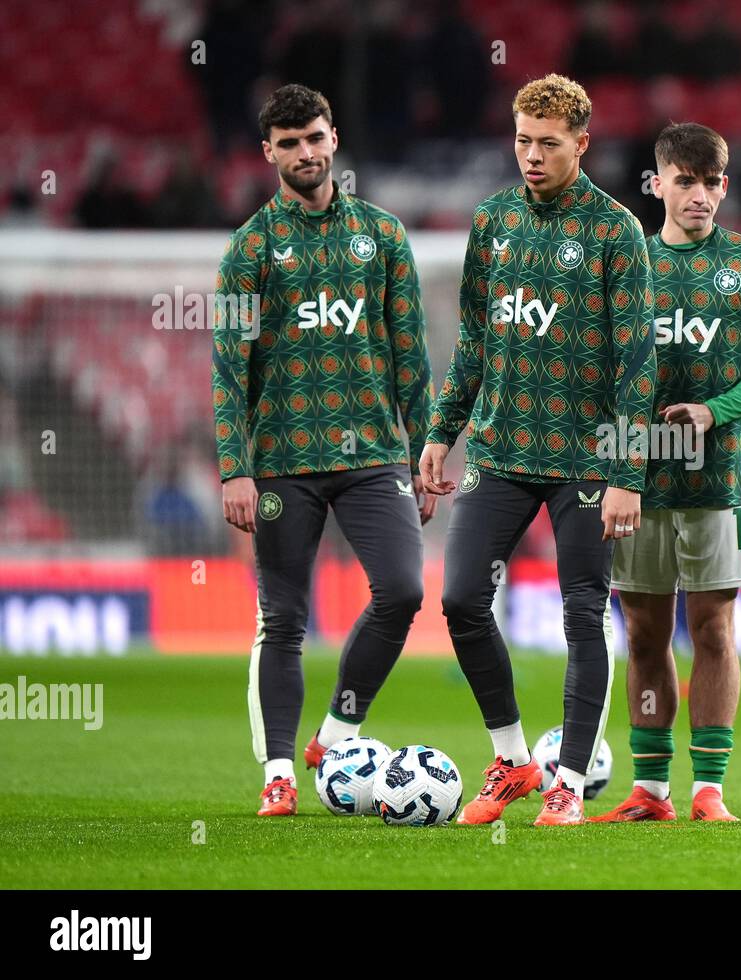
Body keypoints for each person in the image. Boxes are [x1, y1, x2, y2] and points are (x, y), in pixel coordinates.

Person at [419, 74, 655, 827]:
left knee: (582, 614)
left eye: (547, 143)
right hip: (500, 447)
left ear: (581, 144)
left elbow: (637, 366)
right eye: (522, 139)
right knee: (459, 600)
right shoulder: (491, 222)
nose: (530, 155)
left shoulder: (616, 231)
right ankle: (515, 758)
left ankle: (569, 782)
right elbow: (475, 346)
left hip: (586, 462)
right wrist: (439, 431)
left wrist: (626, 474)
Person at [212, 84, 437, 816]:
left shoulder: (383, 234)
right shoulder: (249, 249)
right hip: (282, 460)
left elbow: (411, 354)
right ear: (268, 152)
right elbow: (228, 367)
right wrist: (235, 467)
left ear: (333, 138)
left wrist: (428, 450)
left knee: (403, 591)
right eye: (289, 142)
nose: (305, 152)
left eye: (314, 137)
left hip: (375, 452)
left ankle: (336, 734)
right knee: (281, 621)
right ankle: (278, 771)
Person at [590, 123, 741, 823]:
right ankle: (651, 790)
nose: (700, 195)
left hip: (721, 480)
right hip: (640, 482)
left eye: (711, 183)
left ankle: (709, 788)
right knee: (643, 635)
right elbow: (604, 374)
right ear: (658, 185)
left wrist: (713, 410)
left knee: (713, 629)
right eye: (685, 181)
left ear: (724, 187)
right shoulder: (629, 264)